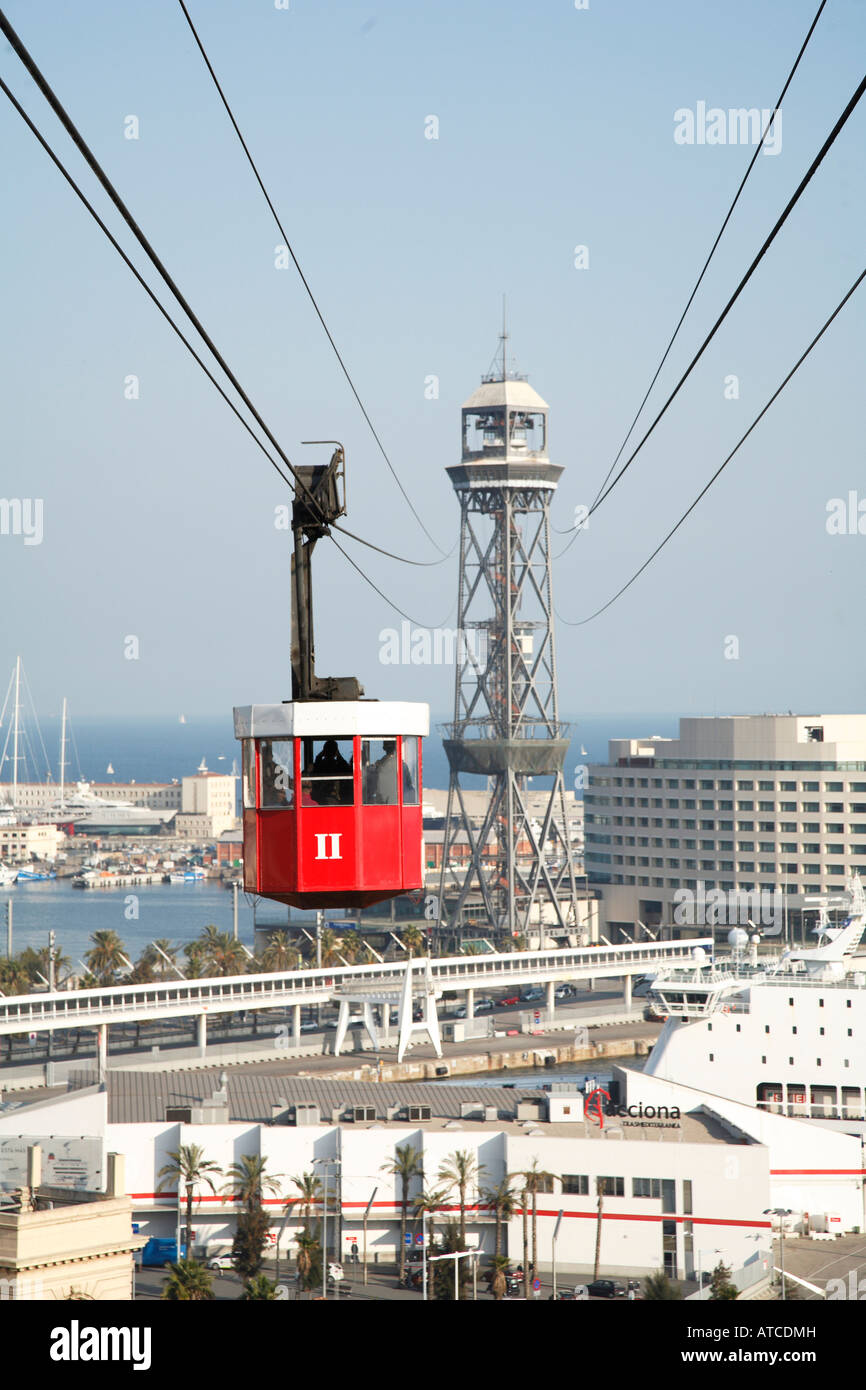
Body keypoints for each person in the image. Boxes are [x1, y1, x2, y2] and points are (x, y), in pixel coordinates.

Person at [308, 738, 352, 805]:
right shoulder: (338, 765)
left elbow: (315, 766)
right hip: (336, 796)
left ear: (324, 752)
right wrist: (339, 755)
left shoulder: (319, 765)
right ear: (336, 752)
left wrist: (320, 755)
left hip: (319, 795)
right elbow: (347, 769)